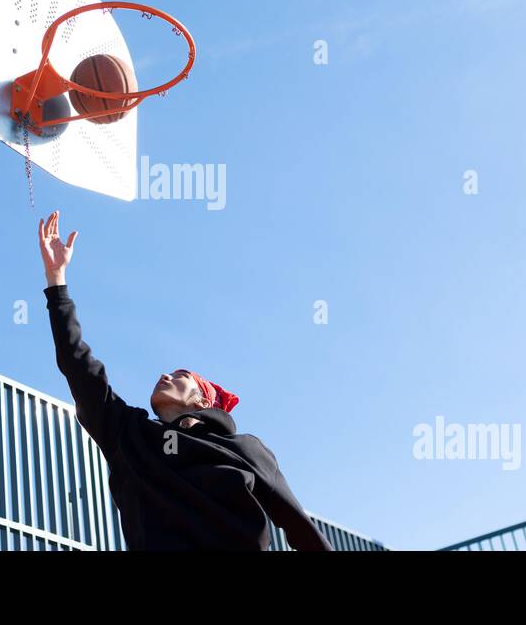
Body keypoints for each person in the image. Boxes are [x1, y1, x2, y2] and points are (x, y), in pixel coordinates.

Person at [37, 210, 332, 551]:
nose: (165, 375)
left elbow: (303, 530)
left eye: (180, 375)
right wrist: (56, 280)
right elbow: (78, 366)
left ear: (203, 401)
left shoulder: (245, 449)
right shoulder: (128, 435)